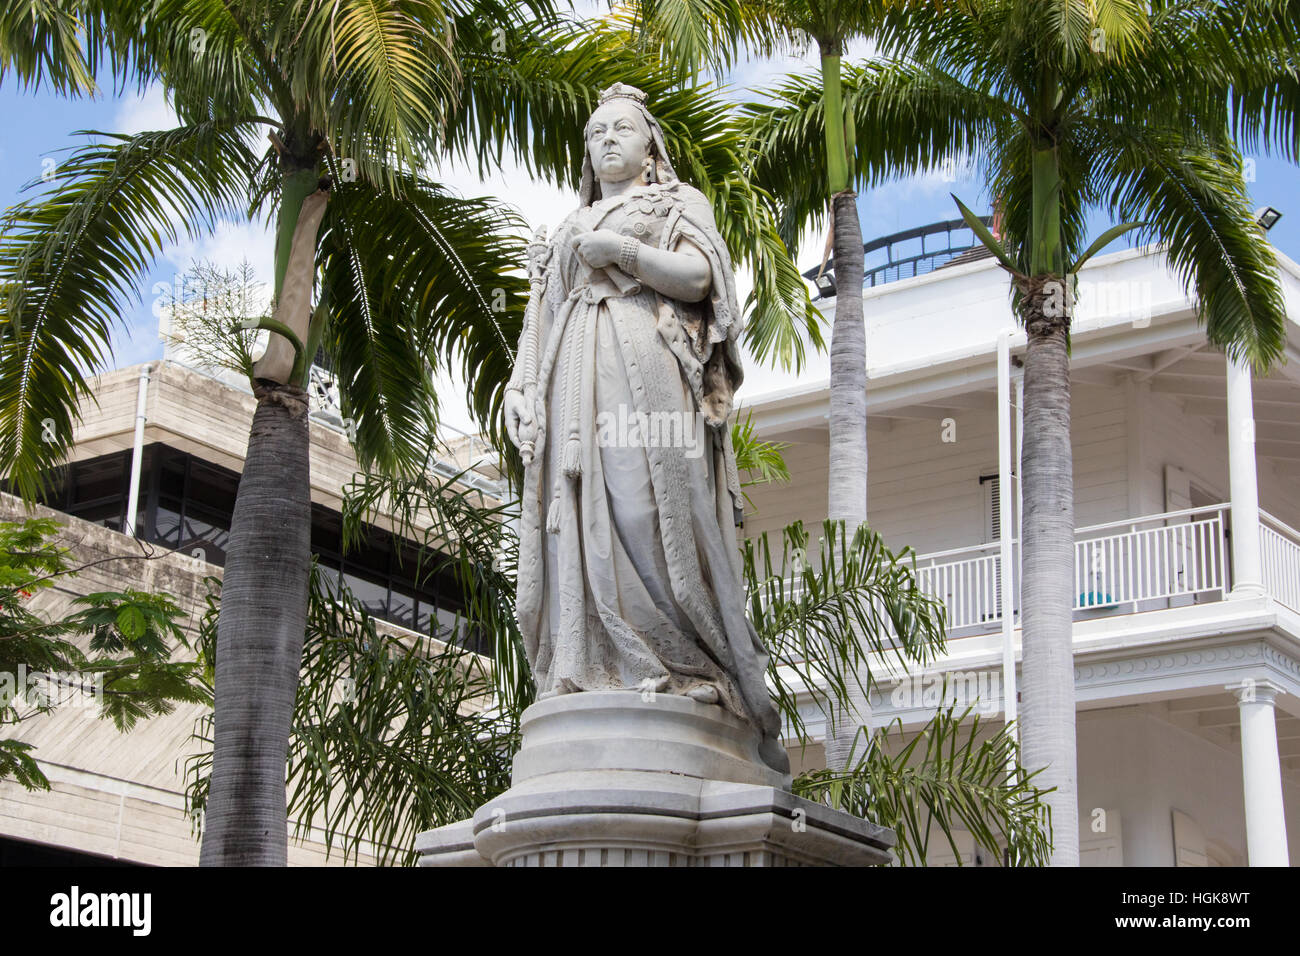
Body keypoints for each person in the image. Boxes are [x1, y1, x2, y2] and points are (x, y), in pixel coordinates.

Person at [504, 83, 789, 779]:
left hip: (647, 368)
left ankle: (689, 658)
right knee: (573, 520)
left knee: (645, 504)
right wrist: (520, 383)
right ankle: (595, 658)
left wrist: (623, 254)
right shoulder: (571, 224)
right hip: (574, 371)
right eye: (596, 131)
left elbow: (701, 277)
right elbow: (541, 310)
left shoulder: (678, 205)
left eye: (621, 129)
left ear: (649, 146)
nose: (606, 140)